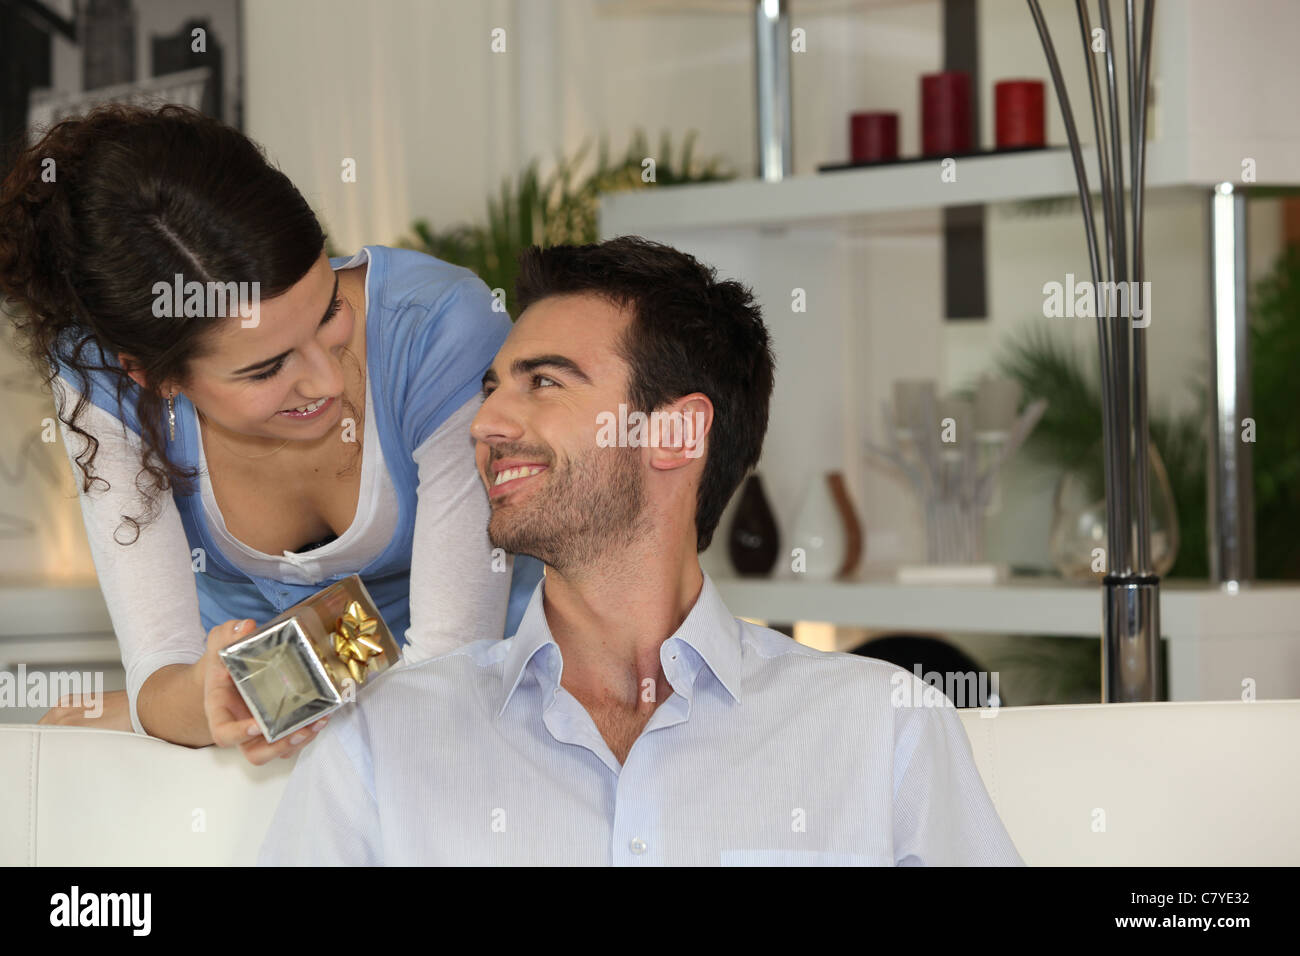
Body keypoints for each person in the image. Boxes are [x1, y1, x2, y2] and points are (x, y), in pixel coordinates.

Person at [258, 236, 1025, 865]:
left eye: (544, 384)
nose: (486, 421)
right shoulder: (383, 737)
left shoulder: (882, 730)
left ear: (677, 433)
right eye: (493, 387)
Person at [0, 103, 543, 765]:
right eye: (268, 367)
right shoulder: (100, 383)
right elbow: (162, 676)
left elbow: (448, 679)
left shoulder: (439, 330)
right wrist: (195, 702)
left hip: (479, 739)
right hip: (255, 764)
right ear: (150, 375)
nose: (325, 380)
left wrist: (262, 689)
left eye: (329, 310)